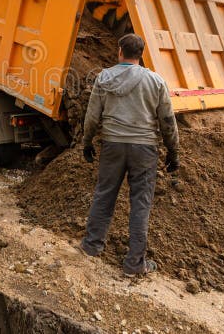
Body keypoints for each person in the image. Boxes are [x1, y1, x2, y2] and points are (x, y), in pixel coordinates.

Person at [78, 33, 179, 276]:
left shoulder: (103, 77)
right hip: (144, 149)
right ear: (140, 54)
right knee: (140, 204)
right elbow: (167, 121)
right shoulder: (156, 81)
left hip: (112, 145)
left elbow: (92, 116)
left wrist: (87, 141)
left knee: (104, 195)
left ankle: (91, 247)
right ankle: (134, 264)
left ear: (120, 51)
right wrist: (173, 151)